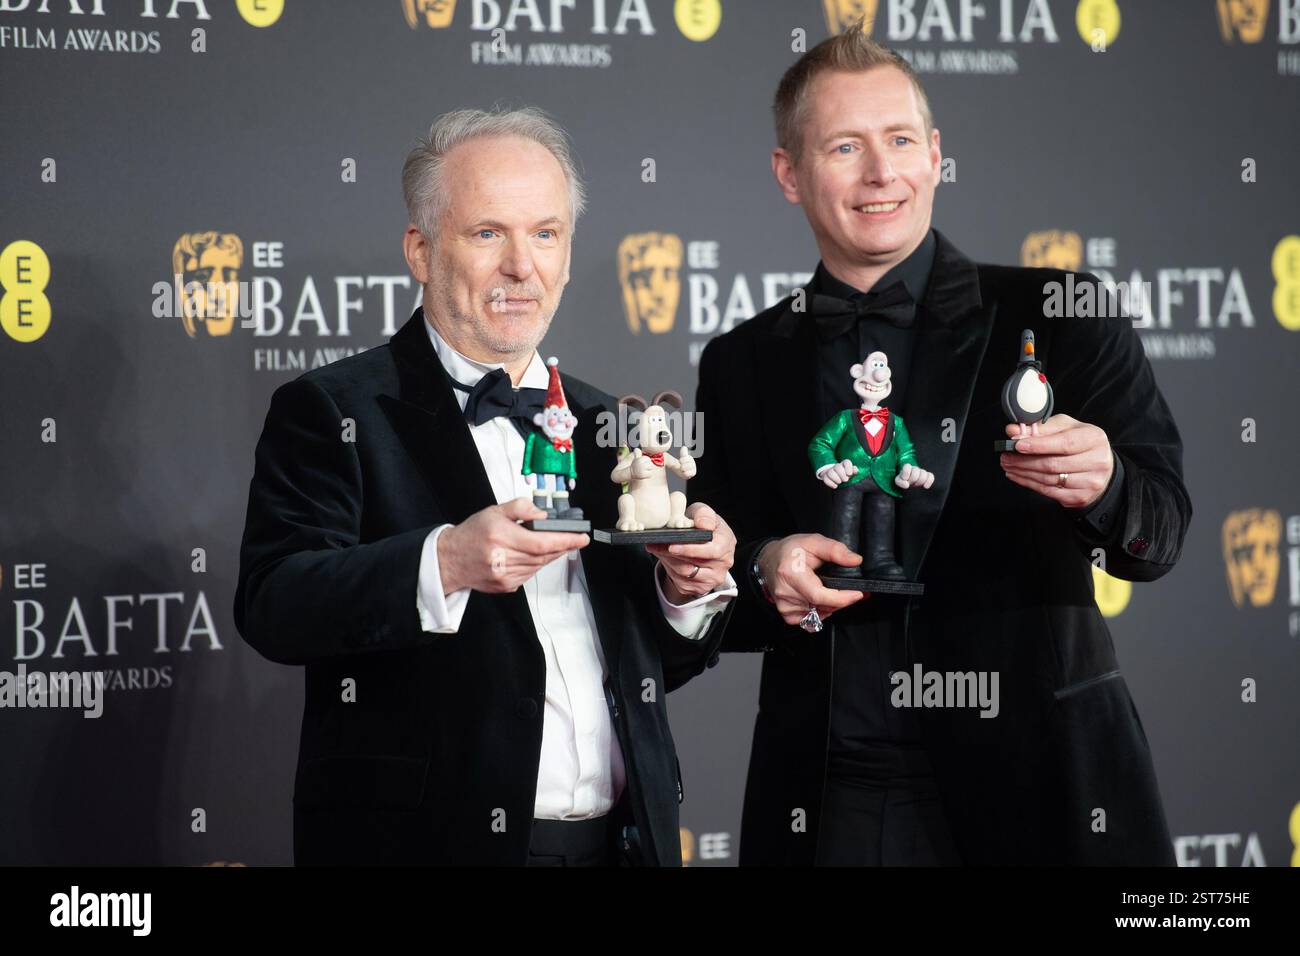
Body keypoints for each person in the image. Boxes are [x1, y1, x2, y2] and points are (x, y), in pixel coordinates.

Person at [689, 24, 1190, 866]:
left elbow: (1160, 531)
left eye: (899, 141)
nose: (881, 172)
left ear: (934, 155)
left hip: (1039, 782)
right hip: (828, 796)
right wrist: (762, 564)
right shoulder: (742, 360)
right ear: (789, 174)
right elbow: (712, 589)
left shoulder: (1061, 314)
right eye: (846, 146)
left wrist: (1105, 486)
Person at [234, 107, 738, 866]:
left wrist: (686, 589)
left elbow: (651, 664)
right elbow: (275, 603)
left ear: (568, 256)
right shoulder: (335, 410)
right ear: (420, 250)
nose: (521, 266)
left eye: (545, 234)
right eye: (486, 233)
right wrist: (445, 562)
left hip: (623, 847)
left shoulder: (609, 423)